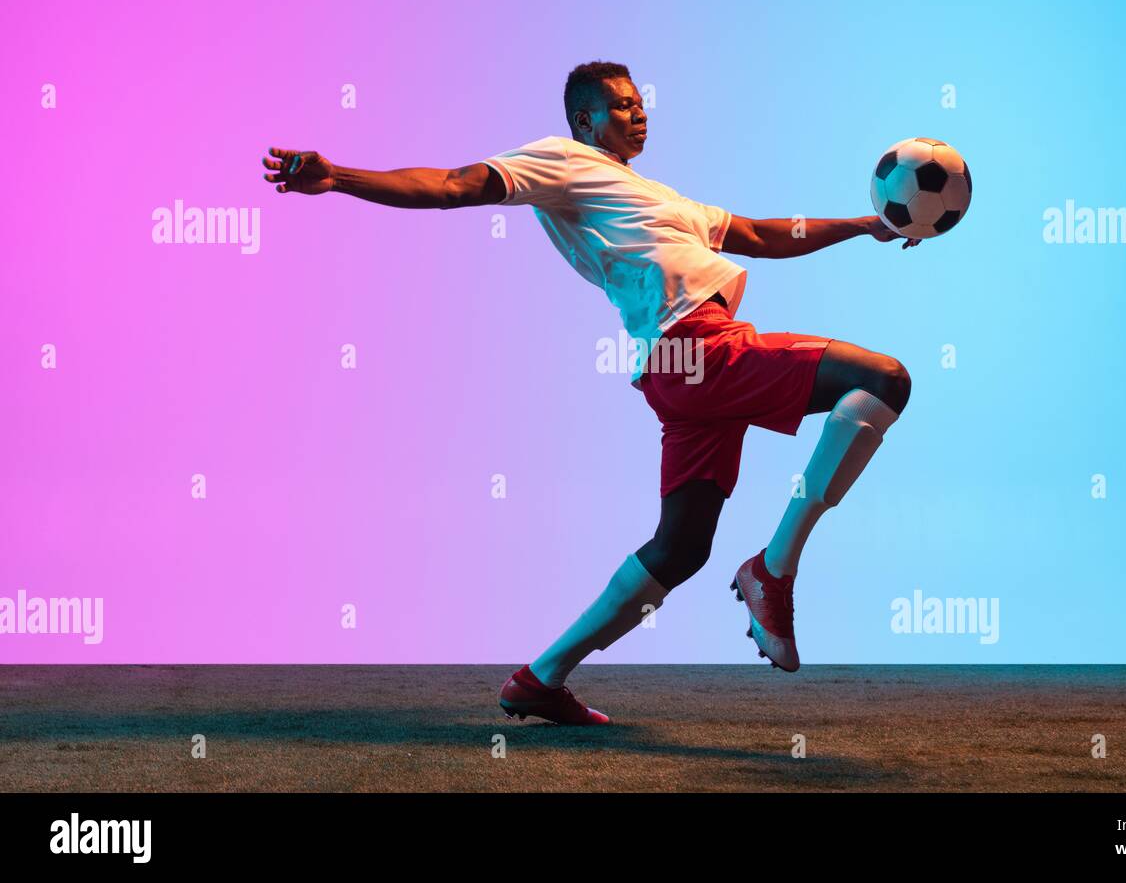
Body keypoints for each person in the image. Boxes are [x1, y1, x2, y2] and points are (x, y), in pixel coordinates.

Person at [262, 60, 917, 725]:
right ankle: (773, 570)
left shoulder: (660, 197)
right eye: (623, 105)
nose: (640, 113)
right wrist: (339, 176)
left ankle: (539, 678)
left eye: (641, 104)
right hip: (696, 351)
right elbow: (455, 184)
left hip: (682, 371)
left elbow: (759, 235)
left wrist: (864, 225)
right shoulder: (561, 161)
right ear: (584, 120)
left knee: (682, 547)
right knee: (883, 379)